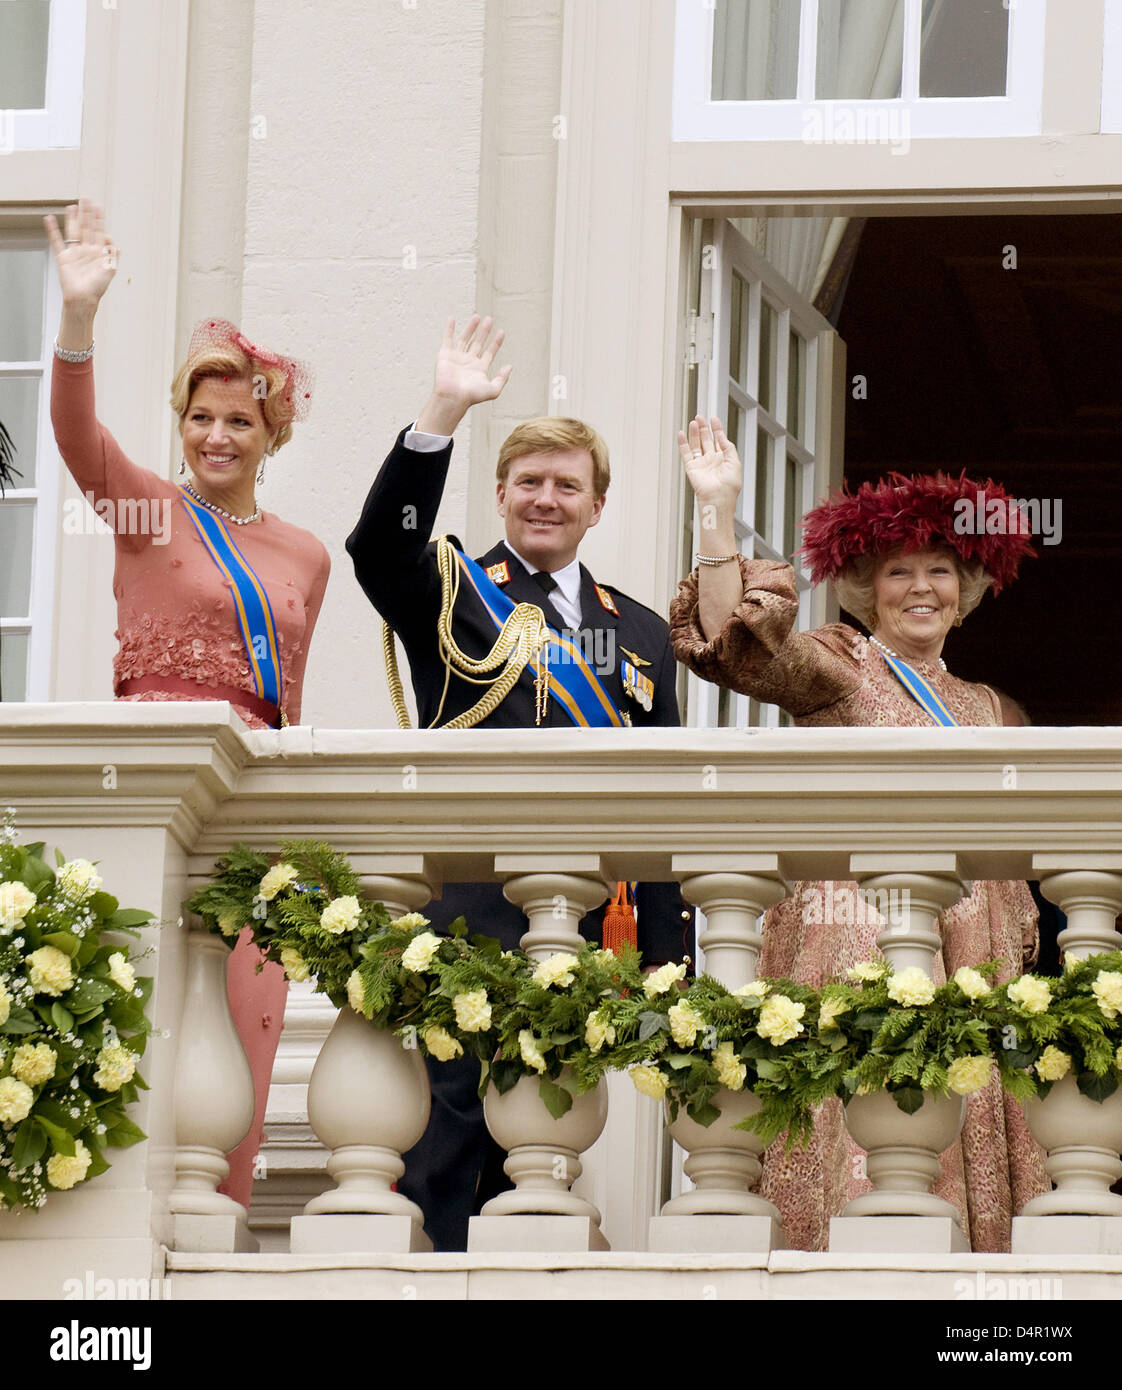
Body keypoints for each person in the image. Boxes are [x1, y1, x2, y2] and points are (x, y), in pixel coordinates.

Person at [346, 314, 691, 1249]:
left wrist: (667, 961)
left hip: (587, 920)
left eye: (566, 486)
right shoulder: (453, 587)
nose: (547, 498)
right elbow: (377, 553)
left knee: (550, 1139)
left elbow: (660, 801)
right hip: (470, 913)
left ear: (596, 506)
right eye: (529, 482)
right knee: (448, 1137)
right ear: (499, 495)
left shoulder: (643, 630)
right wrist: (441, 416)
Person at [670, 414, 1049, 1253]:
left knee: (955, 1117)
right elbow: (742, 654)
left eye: (940, 571)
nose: (921, 588)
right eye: (899, 572)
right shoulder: (844, 661)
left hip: (967, 939)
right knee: (859, 1115)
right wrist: (716, 513)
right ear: (866, 590)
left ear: (967, 588)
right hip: (853, 935)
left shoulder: (990, 707)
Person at [45, 197, 331, 1209]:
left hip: (252, 795)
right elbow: (78, 440)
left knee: (247, 1011)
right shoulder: (144, 512)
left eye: (238, 420)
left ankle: (220, 1217)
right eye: (199, 418)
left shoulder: (304, 554)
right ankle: (115, 1224)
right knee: (136, 1006)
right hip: (149, 779)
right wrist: (78, 320)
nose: (216, 435)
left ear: (270, 433)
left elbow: (288, 698)